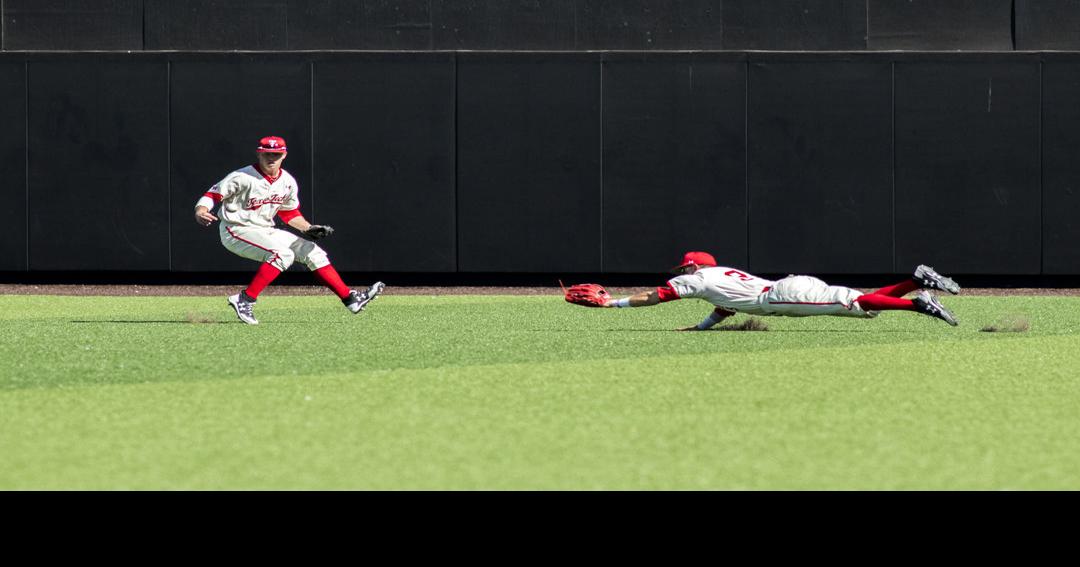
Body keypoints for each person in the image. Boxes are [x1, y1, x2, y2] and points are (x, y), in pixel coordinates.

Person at [194, 135, 383, 325]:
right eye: (267, 153)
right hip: (236, 229)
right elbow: (212, 194)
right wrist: (201, 210)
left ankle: (350, 299)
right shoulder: (242, 176)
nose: (271, 158)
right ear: (259, 154)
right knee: (283, 255)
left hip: (264, 229)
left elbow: (289, 213)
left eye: (276, 154)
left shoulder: (287, 181)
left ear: (284, 155)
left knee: (312, 252)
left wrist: (308, 228)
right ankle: (245, 299)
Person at [603, 251, 960, 330]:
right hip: (787, 289)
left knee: (853, 302)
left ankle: (919, 304)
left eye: (684, 267)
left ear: (695, 266)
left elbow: (655, 297)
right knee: (862, 304)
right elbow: (725, 307)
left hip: (780, 296)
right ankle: (915, 282)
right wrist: (700, 328)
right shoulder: (721, 276)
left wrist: (612, 303)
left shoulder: (698, 278)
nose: (681, 272)